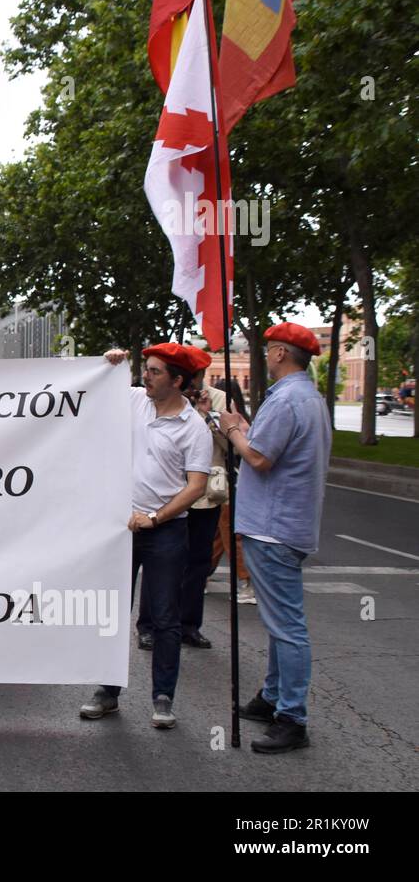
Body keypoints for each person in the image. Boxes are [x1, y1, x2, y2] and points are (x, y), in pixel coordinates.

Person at [80, 344, 211, 729]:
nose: (146, 377)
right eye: (146, 370)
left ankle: (163, 697)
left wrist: (155, 517)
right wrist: (110, 361)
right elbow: (94, 388)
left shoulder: (194, 428)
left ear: (177, 381)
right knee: (115, 611)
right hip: (122, 527)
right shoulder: (136, 400)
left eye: (155, 372)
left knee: (166, 616)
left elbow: (196, 486)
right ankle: (107, 692)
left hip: (165, 530)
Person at [218, 322, 331, 754]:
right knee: (279, 622)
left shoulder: (286, 399)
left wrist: (232, 429)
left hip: (273, 526)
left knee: (287, 626)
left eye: (268, 349)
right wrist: (246, 430)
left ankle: (292, 717)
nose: (265, 355)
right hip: (288, 524)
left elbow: (260, 457)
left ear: (282, 353)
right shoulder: (309, 398)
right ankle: (272, 697)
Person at [136, 346, 226, 649]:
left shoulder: (217, 400)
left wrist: (207, 417)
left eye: (155, 370)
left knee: (197, 562)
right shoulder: (147, 401)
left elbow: (230, 443)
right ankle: (147, 625)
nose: (146, 375)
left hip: (204, 497)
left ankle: (189, 624)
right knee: (157, 566)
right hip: (163, 505)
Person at [209, 380, 254, 604]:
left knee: (229, 534)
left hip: (226, 483)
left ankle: (248, 582)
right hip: (227, 483)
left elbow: (233, 448)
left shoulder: (231, 420)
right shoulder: (243, 419)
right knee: (217, 535)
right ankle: (202, 574)